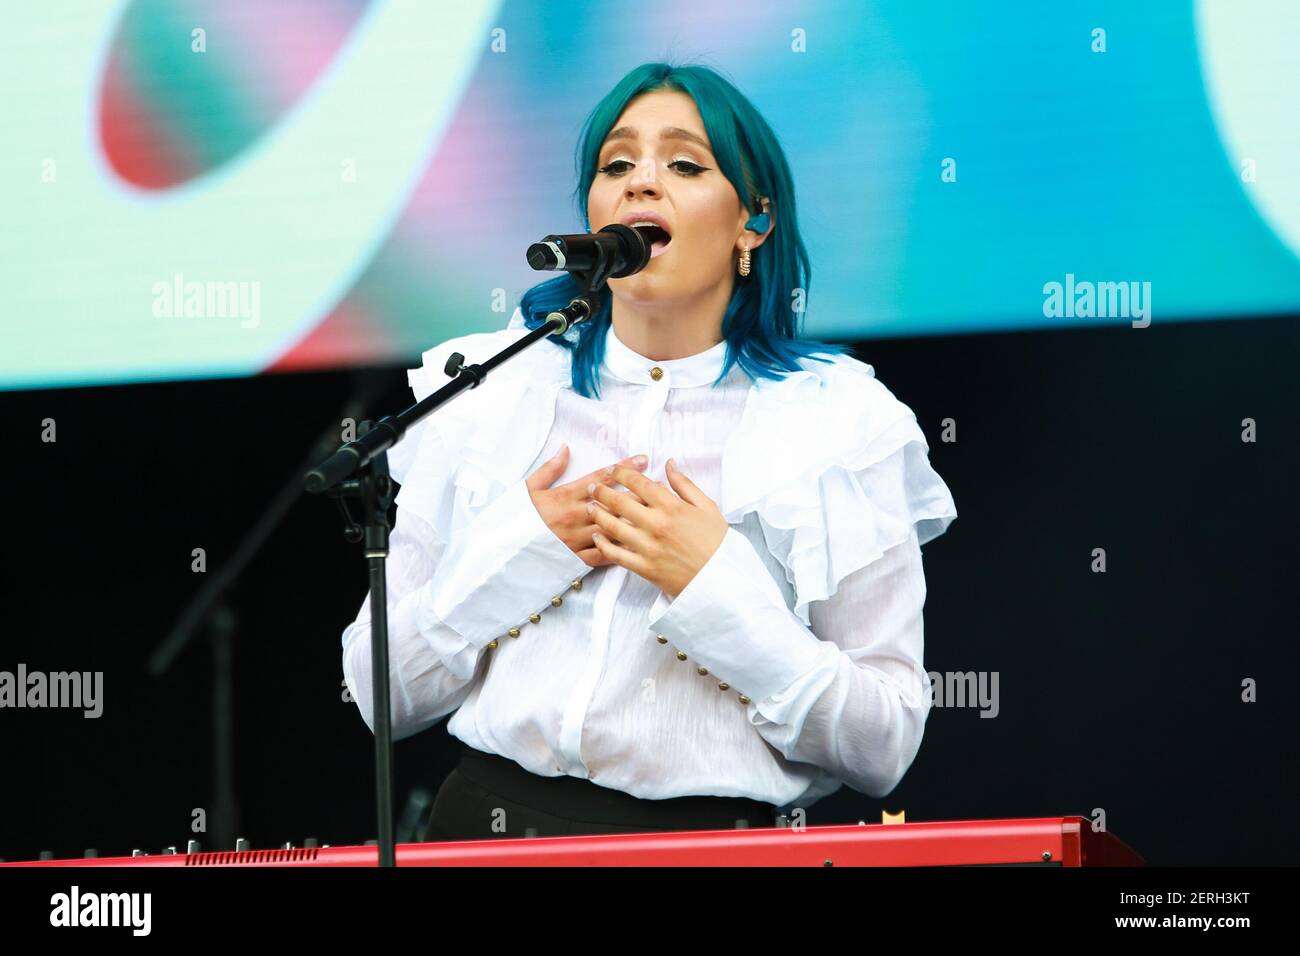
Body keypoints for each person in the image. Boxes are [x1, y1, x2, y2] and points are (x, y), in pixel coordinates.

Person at [341, 62, 957, 841]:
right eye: (617, 164)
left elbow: (884, 745)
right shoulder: (490, 392)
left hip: (712, 850)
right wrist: (520, 552)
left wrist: (713, 588)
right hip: (484, 832)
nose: (640, 185)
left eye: (686, 164)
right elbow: (377, 691)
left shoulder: (841, 424)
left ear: (754, 223)